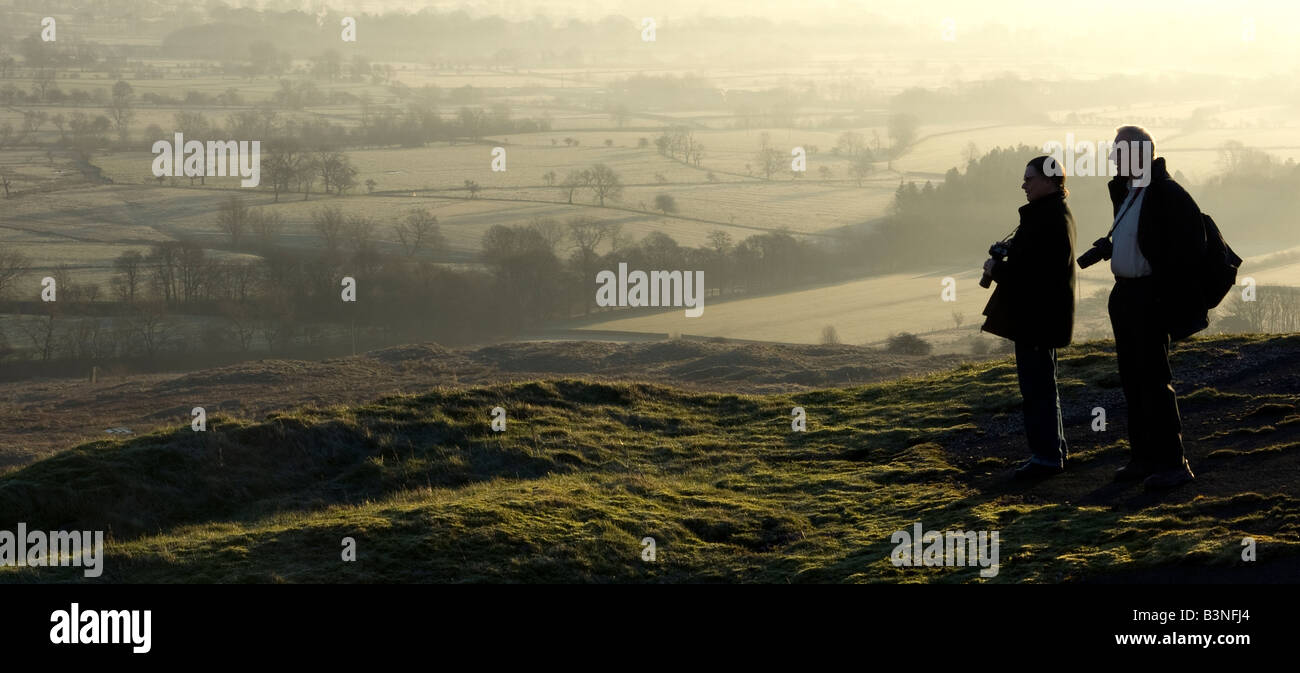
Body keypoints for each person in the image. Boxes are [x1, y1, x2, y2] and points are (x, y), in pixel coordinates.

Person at [1104, 125, 1205, 490]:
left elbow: (1188, 250)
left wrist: (1164, 297)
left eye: (1118, 150)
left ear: (1138, 154)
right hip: (1126, 295)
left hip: (1149, 297)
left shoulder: (1166, 194)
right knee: (1133, 380)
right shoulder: (1129, 190)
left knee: (1153, 381)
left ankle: (1173, 463)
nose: (1112, 156)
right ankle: (1144, 458)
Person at [981, 155, 1077, 479]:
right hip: (1040, 319)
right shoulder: (1050, 215)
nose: (1023, 185)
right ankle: (1054, 450)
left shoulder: (1047, 219)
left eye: (1029, 179)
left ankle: (1046, 457)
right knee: (1042, 387)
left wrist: (998, 270)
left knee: (1037, 390)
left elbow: (1036, 277)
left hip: (1037, 320)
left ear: (1049, 181)